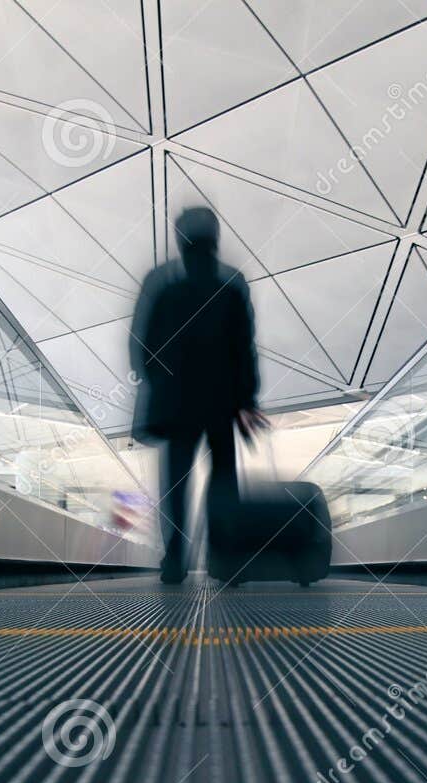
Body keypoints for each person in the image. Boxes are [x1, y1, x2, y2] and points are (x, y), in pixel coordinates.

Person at [129, 207, 267, 584]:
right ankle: (225, 557)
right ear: (216, 238)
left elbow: (142, 345)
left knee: (176, 482)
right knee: (223, 477)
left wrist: (159, 385)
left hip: (176, 407)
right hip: (222, 403)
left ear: (180, 239)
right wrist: (247, 400)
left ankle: (174, 557)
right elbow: (245, 348)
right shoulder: (232, 284)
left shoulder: (161, 284)